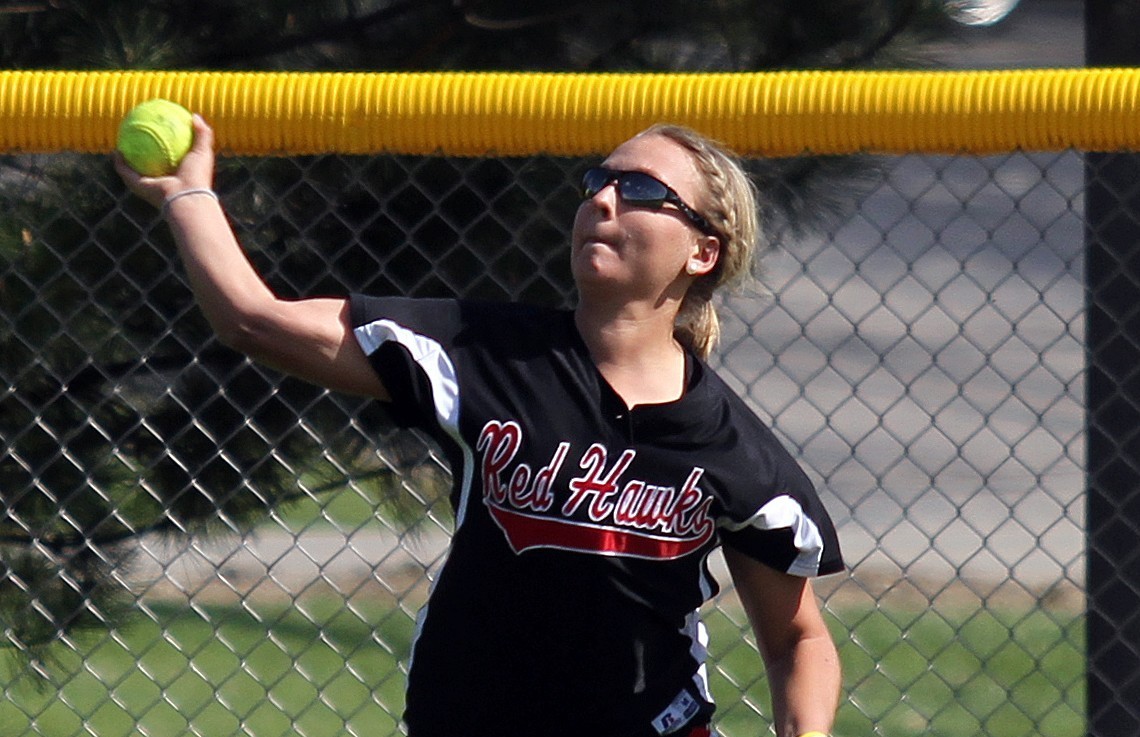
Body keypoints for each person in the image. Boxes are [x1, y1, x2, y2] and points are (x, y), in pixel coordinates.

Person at [115, 113, 845, 737]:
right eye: (597, 180)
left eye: (644, 190)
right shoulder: (481, 353)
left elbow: (798, 637)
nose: (606, 198)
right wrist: (190, 195)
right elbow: (253, 320)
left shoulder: (734, 451)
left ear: (702, 249)